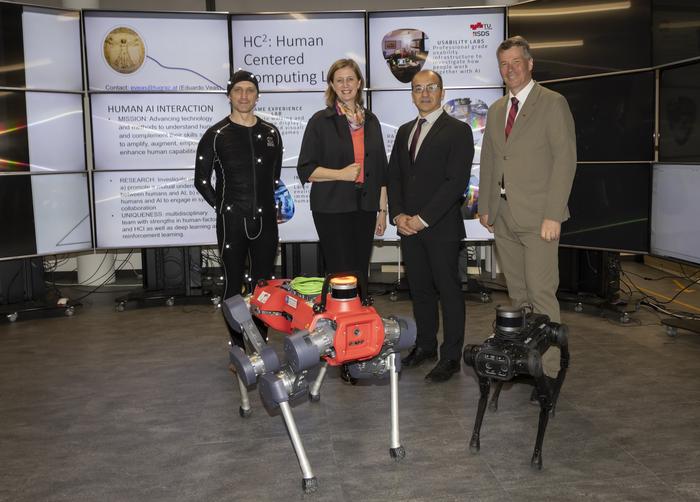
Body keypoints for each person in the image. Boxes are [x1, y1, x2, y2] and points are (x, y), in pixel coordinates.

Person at [478, 36, 576, 377]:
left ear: (530, 64)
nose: (510, 69)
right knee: (518, 294)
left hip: (539, 218)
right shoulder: (495, 110)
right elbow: (490, 159)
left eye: (516, 62)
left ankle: (548, 373)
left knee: (541, 293)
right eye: (504, 64)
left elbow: (565, 160)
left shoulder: (552, 103)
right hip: (503, 216)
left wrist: (553, 214)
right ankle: (525, 360)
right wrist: (486, 206)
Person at [388, 69, 474, 383]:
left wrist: (422, 219)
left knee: (448, 291)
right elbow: (394, 177)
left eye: (430, 88)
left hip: (439, 228)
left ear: (441, 91)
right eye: (418, 88)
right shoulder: (404, 131)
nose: (424, 94)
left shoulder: (458, 130)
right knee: (420, 291)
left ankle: (450, 357)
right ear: (412, 94)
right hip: (409, 228)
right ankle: (425, 346)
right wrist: (398, 216)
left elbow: (456, 183)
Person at [194, 70, 283, 349]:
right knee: (233, 285)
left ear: (257, 95)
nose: (244, 96)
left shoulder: (271, 133)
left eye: (250, 90)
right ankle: (239, 348)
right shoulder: (215, 134)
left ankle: (259, 345)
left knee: (264, 287)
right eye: (238, 90)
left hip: (266, 221)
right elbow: (201, 180)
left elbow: (274, 178)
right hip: (232, 221)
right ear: (229, 95)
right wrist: (222, 208)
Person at [297, 58, 388, 299]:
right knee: (340, 271)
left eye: (350, 79)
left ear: (359, 83)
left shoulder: (371, 120)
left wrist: (382, 210)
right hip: (331, 207)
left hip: (366, 206)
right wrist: (341, 174)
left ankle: (360, 324)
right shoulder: (320, 121)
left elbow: (380, 170)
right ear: (332, 85)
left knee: (360, 269)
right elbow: (305, 169)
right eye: (339, 80)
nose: (345, 85)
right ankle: (339, 325)